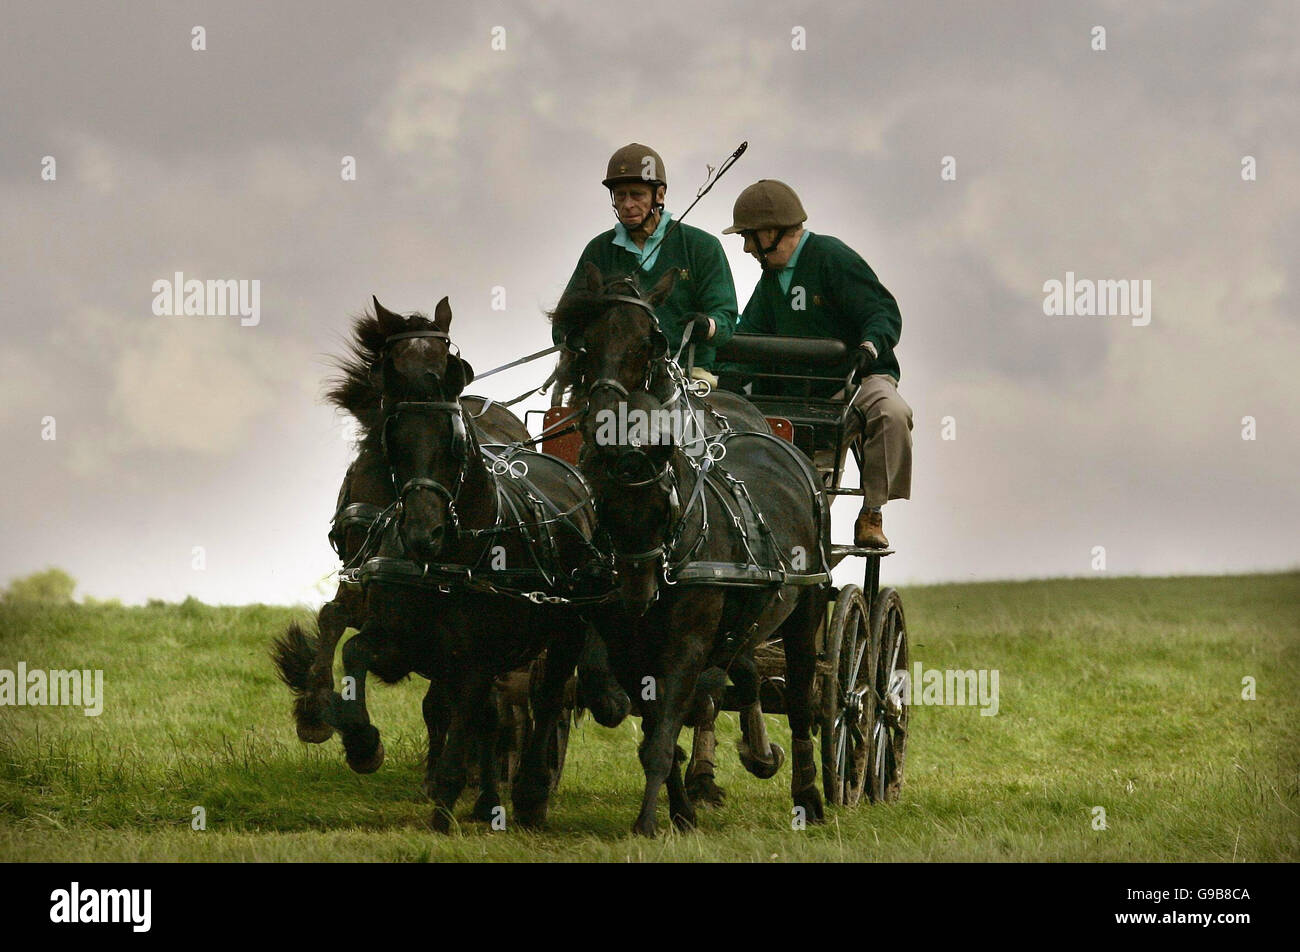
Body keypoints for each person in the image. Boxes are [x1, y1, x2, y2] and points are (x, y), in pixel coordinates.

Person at [723, 179, 913, 548]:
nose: (746, 248)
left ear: (773, 232)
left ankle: (872, 511)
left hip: (858, 381)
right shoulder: (771, 282)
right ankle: (799, 543)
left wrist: (869, 347)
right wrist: (724, 378)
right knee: (806, 508)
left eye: (749, 236)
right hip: (804, 396)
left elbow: (882, 311)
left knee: (892, 413)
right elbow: (749, 339)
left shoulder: (832, 257)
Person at [556, 143, 739, 386]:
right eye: (620, 195)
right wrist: (580, 339)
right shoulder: (598, 249)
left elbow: (725, 318)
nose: (628, 204)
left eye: (637, 194)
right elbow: (562, 324)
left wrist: (708, 326)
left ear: (659, 195)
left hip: (686, 375)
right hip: (612, 381)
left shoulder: (702, 246)